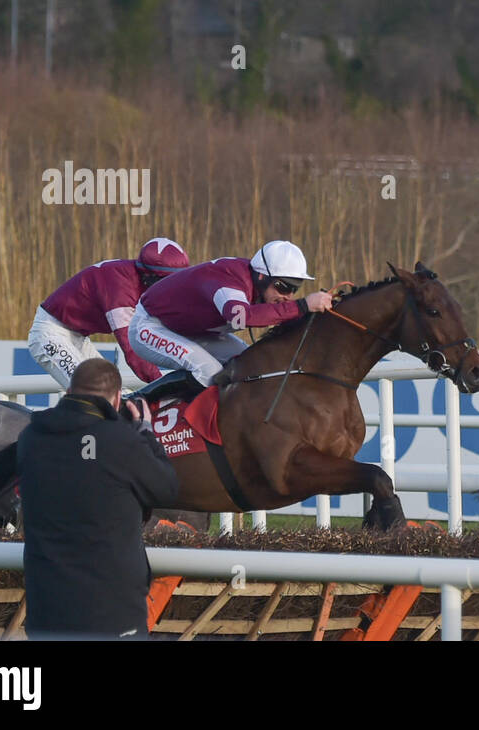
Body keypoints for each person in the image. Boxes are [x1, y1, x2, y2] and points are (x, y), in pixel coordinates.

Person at [18, 358, 179, 640]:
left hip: (46, 618)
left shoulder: (30, 437)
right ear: (117, 400)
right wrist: (145, 432)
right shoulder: (121, 441)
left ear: (69, 391)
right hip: (113, 619)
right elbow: (167, 488)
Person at [126, 240, 334, 403]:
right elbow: (241, 317)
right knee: (208, 372)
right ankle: (134, 402)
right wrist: (302, 306)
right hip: (150, 326)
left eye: (294, 289)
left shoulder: (254, 279)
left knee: (248, 362)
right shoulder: (228, 282)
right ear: (261, 277)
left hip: (189, 329)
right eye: (283, 287)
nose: (287, 296)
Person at [28, 238, 190, 389]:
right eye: (169, 282)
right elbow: (133, 351)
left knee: (116, 394)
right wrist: (164, 385)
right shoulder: (122, 289)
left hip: (76, 336)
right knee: (94, 392)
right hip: (50, 334)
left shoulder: (140, 279)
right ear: (151, 276)